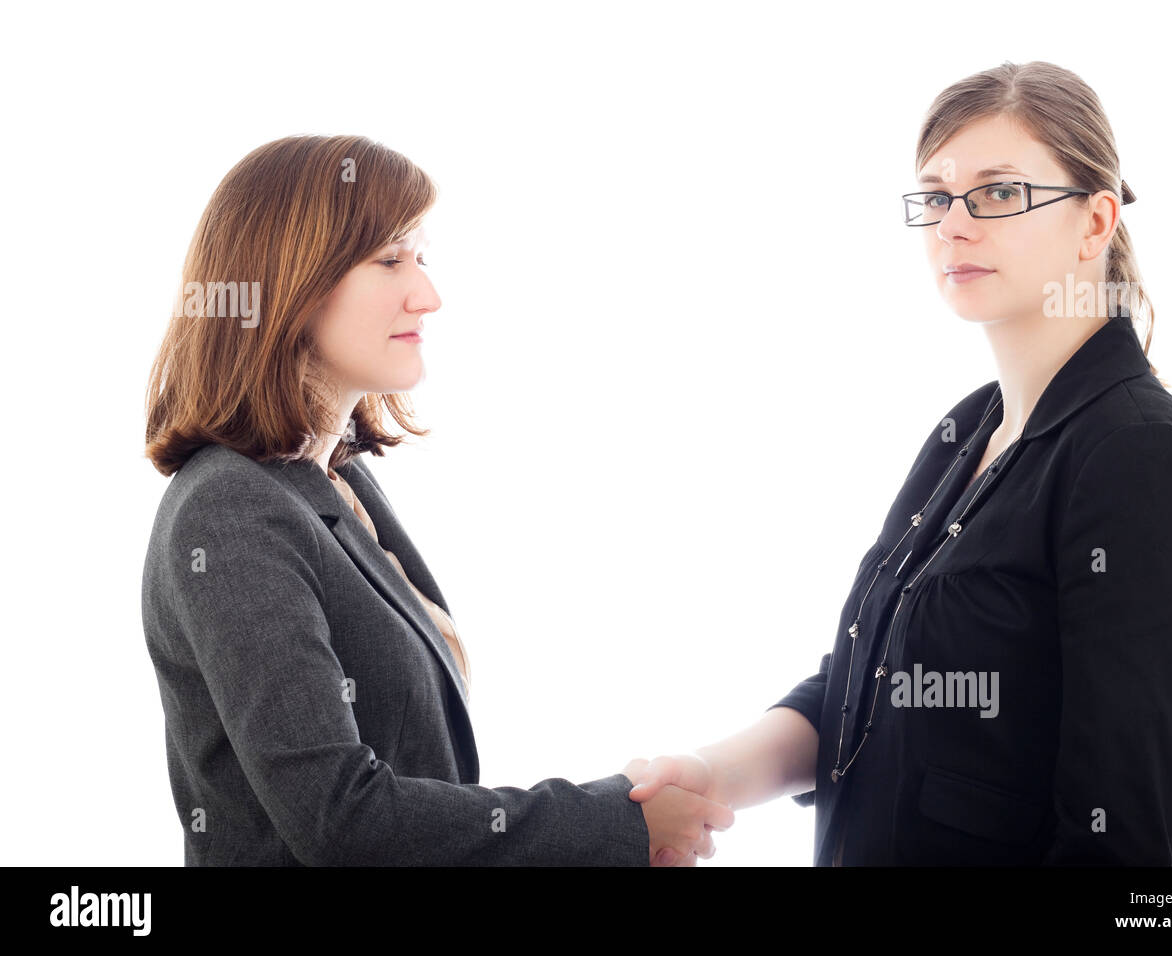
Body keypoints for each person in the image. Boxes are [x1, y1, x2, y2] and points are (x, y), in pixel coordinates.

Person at [624, 60, 1172, 866]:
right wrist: (707, 776)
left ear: (1095, 222)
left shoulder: (1136, 457)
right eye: (937, 195)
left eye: (999, 192)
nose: (953, 223)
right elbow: (859, 687)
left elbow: (1118, 836)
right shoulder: (967, 428)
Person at [141, 133, 733, 866]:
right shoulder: (230, 509)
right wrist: (618, 821)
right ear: (288, 283)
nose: (428, 294)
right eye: (391, 259)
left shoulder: (338, 483)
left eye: (422, 257)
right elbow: (342, 820)